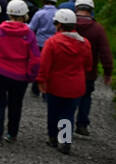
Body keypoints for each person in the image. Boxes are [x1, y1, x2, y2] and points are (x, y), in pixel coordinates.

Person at [0, 0, 41, 146]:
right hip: (19, 76)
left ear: (8, 14)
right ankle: (12, 134)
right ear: (25, 15)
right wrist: (32, 75)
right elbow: (34, 58)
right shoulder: (29, 34)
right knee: (16, 104)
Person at [38, 9, 92, 154]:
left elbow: (44, 65)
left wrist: (41, 80)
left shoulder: (52, 42)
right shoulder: (85, 43)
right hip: (76, 86)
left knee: (53, 112)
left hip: (55, 85)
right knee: (68, 113)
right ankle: (65, 140)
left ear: (60, 24)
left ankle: (53, 137)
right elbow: (88, 65)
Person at [73, 0, 113, 137]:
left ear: (76, 8)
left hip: (67, 72)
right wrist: (108, 72)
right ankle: (82, 125)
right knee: (85, 97)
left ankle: (63, 137)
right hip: (88, 73)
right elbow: (105, 52)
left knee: (66, 104)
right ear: (91, 10)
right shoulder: (97, 29)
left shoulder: (68, 24)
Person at [28, 0, 60, 98]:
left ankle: (35, 89)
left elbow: (32, 28)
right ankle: (47, 92)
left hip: (40, 43)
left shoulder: (39, 13)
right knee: (51, 67)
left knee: (39, 66)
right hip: (54, 43)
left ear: (43, 0)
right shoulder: (59, 13)